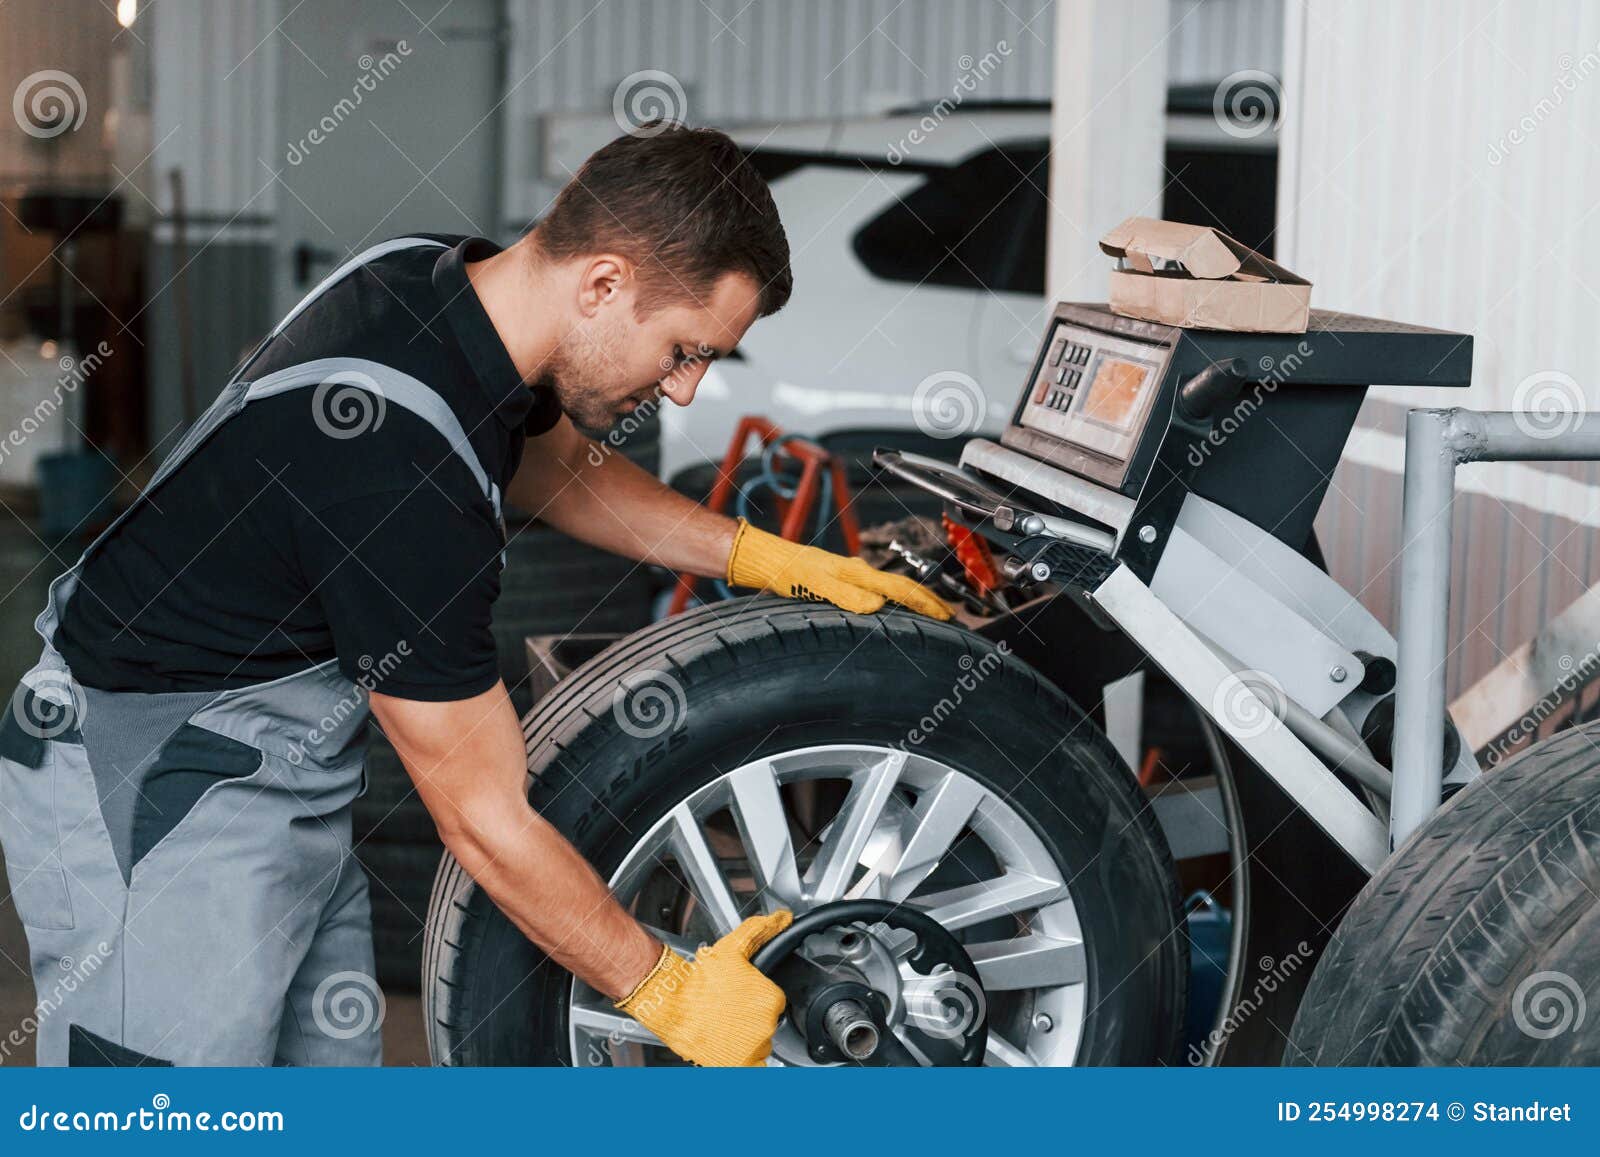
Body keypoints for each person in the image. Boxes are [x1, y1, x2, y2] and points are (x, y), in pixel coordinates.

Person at [0, 124, 948, 1067]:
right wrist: (669, 988)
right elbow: (485, 823)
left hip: (272, 783)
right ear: (606, 283)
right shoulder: (394, 477)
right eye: (682, 351)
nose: (689, 391)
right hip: (148, 792)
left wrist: (759, 555)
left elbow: (556, 470)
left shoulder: (432, 278)